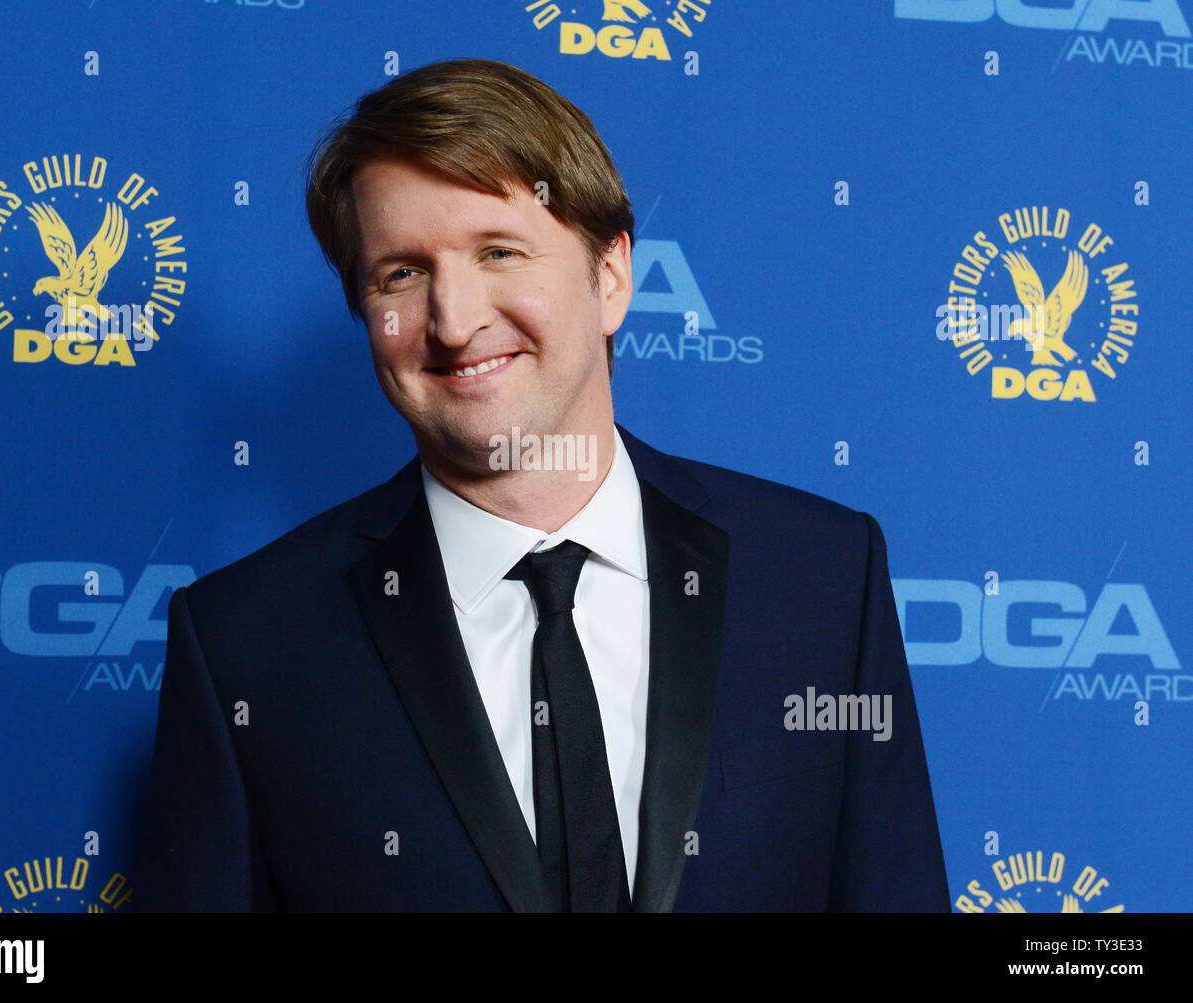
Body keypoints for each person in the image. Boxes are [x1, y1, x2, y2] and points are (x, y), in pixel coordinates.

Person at [133, 58, 949, 912]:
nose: (454, 320)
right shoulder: (246, 642)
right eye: (401, 274)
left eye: (499, 251)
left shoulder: (820, 579)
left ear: (611, 277)